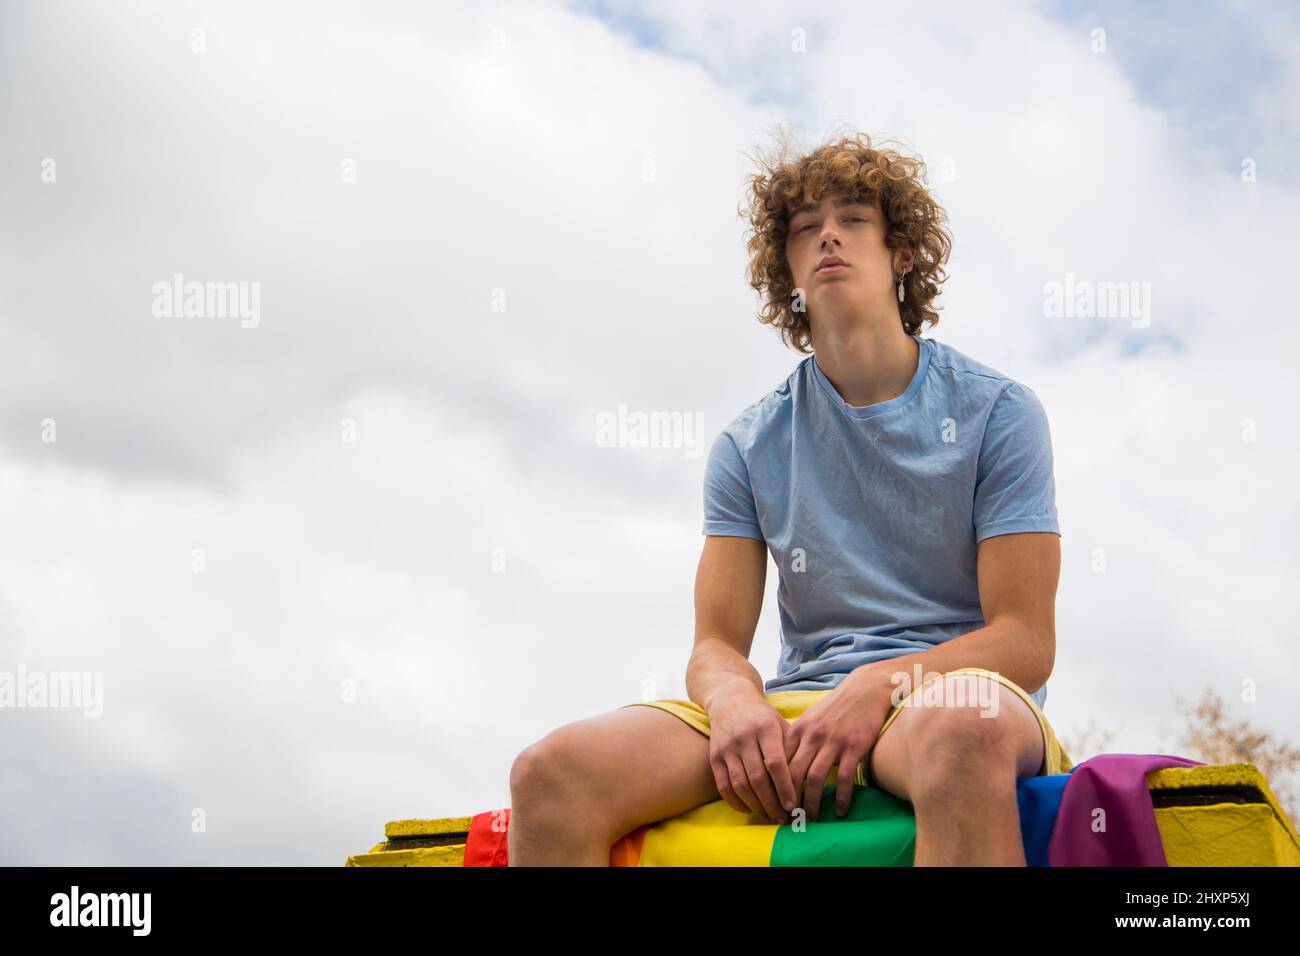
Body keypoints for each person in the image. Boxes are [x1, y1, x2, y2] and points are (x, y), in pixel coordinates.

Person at [508, 129, 1072, 866]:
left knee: (961, 736)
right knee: (549, 774)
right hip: (794, 705)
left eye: (853, 220)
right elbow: (714, 644)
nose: (828, 236)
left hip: (950, 698)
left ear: (902, 253)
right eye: (806, 228)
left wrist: (881, 685)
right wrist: (731, 698)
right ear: (789, 270)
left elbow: (1026, 641)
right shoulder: (747, 444)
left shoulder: (999, 411)